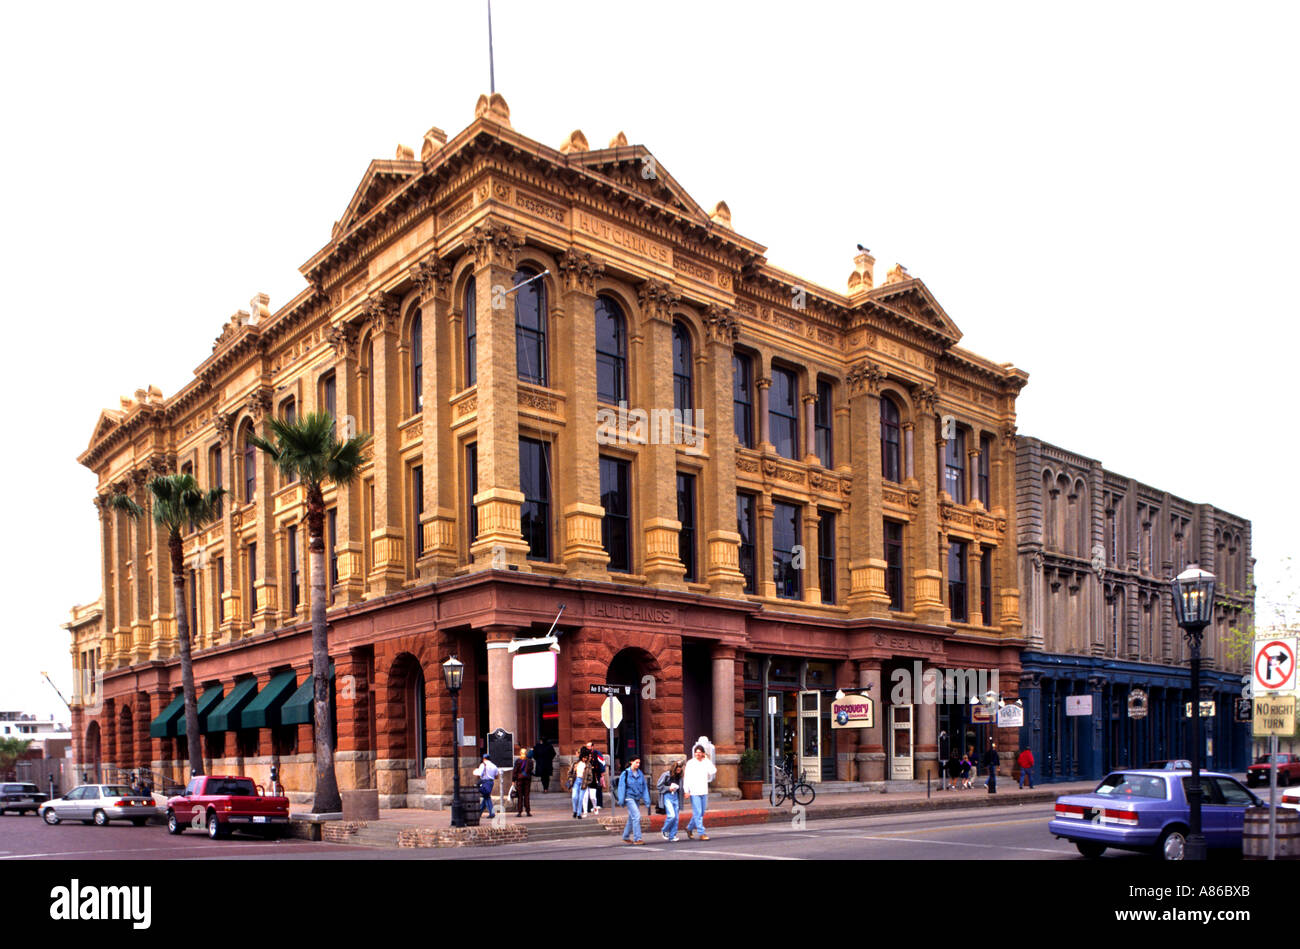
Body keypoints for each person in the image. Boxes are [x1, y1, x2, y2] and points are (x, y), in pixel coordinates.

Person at [682, 743, 717, 840]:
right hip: (694, 791)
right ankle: (702, 833)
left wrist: (706, 760)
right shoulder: (690, 763)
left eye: (700, 752)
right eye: (696, 752)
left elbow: (713, 771)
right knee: (697, 812)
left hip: (703, 790)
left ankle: (689, 828)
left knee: (701, 813)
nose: (697, 754)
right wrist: (686, 791)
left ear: (703, 753)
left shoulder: (705, 762)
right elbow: (687, 778)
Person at [615, 754, 652, 844]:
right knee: (636, 816)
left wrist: (647, 800)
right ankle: (637, 838)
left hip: (637, 798)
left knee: (632, 818)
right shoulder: (626, 773)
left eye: (639, 763)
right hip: (629, 798)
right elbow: (621, 787)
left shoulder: (640, 773)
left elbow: (644, 787)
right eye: (636, 762)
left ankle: (625, 836)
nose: (638, 764)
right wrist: (621, 800)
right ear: (631, 762)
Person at [656, 758, 685, 842]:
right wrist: (669, 788)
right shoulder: (666, 775)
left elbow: (680, 789)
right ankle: (664, 830)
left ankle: (672, 835)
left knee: (676, 818)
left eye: (680, 768)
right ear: (674, 768)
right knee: (671, 815)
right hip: (667, 796)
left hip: (676, 796)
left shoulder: (680, 777)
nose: (679, 769)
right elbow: (659, 786)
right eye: (677, 768)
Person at [565, 746, 593, 818]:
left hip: (583, 782)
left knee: (581, 798)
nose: (585, 759)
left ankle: (579, 813)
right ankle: (575, 810)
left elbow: (590, 776)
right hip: (576, 781)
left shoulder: (588, 765)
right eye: (584, 757)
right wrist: (570, 779)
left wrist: (587, 783)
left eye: (586, 757)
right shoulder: (575, 764)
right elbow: (569, 772)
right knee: (574, 797)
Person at [473, 752, 500, 818]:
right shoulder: (494, 766)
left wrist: (475, 771)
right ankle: (479, 812)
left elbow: (479, 773)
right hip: (491, 782)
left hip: (484, 782)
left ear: (484, 759)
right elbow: (497, 776)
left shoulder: (483, 765)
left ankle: (492, 813)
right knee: (486, 796)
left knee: (487, 797)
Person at [585, 741, 606, 814]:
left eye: (589, 746)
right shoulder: (586, 754)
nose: (587, 748)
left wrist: (602, 772)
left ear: (592, 746)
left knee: (598, 788)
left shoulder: (597, 753)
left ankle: (599, 804)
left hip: (597, 773)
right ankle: (591, 806)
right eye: (587, 746)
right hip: (589, 774)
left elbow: (602, 762)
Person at [513, 748, 534, 816]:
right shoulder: (530, 761)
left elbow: (515, 771)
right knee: (527, 796)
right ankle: (528, 811)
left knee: (520, 796)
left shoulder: (518, 761)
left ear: (520, 753)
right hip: (527, 779)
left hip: (519, 780)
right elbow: (531, 770)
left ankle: (519, 812)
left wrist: (513, 780)